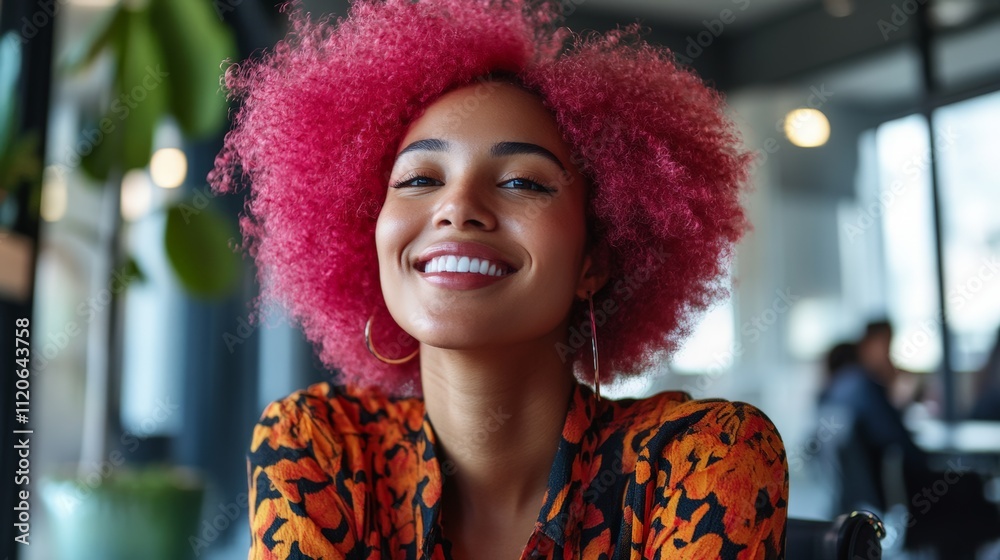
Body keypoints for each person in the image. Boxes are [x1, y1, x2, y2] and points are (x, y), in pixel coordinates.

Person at [210, 0, 788, 558]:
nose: (457, 207)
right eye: (418, 179)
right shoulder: (319, 447)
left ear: (595, 261)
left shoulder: (702, 458)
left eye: (522, 183)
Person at [821, 320, 1000, 557]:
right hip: (907, 505)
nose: (890, 357)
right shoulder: (866, 388)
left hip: (864, 503)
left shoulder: (840, 390)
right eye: (886, 348)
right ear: (867, 347)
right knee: (971, 486)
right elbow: (909, 451)